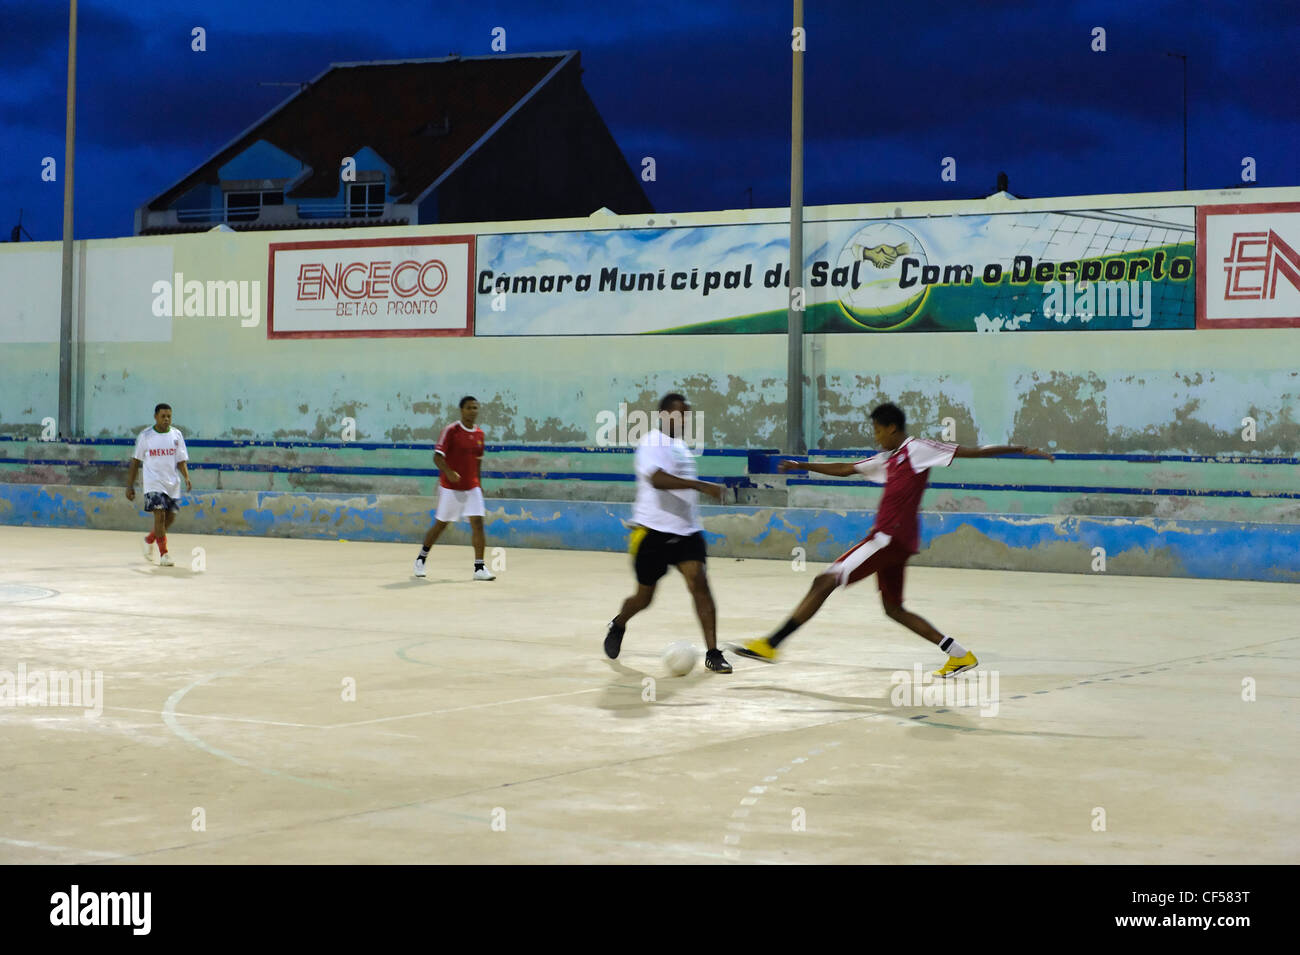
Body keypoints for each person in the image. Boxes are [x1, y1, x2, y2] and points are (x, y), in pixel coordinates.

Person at [735, 402, 1054, 677]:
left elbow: (972, 452)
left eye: (877, 430)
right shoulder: (888, 458)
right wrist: (801, 465)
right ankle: (959, 654)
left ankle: (771, 644)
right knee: (893, 608)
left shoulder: (918, 449)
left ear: (891, 428)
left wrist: (1021, 449)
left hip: (887, 539)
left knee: (824, 581)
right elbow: (846, 468)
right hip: (897, 544)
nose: (875, 437)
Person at [604, 393, 733, 673]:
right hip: (653, 533)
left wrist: (697, 489)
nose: (683, 419)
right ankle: (619, 623)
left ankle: (712, 652)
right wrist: (700, 485)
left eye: (686, 414)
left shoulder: (682, 448)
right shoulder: (651, 442)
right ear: (663, 415)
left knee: (699, 583)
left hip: (686, 532)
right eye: (678, 414)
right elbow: (657, 479)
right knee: (644, 598)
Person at [414, 397, 494, 581]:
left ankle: (479, 568)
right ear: (461, 410)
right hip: (451, 488)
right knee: (441, 525)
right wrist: (449, 473)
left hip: (472, 487)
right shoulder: (451, 431)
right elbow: (437, 457)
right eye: (469, 408)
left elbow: (477, 464)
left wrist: (479, 485)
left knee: (478, 524)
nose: (472, 411)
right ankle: (421, 559)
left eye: (475, 408)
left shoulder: (480, 435)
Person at [125, 403, 191, 567]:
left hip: (172, 483)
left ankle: (150, 539)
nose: (166, 419)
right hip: (153, 482)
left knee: (170, 518)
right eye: (163, 416)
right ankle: (164, 554)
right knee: (159, 515)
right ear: (155, 417)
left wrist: (187, 477)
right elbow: (135, 461)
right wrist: (129, 485)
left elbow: (181, 460)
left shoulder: (176, 435)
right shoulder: (146, 436)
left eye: (169, 416)